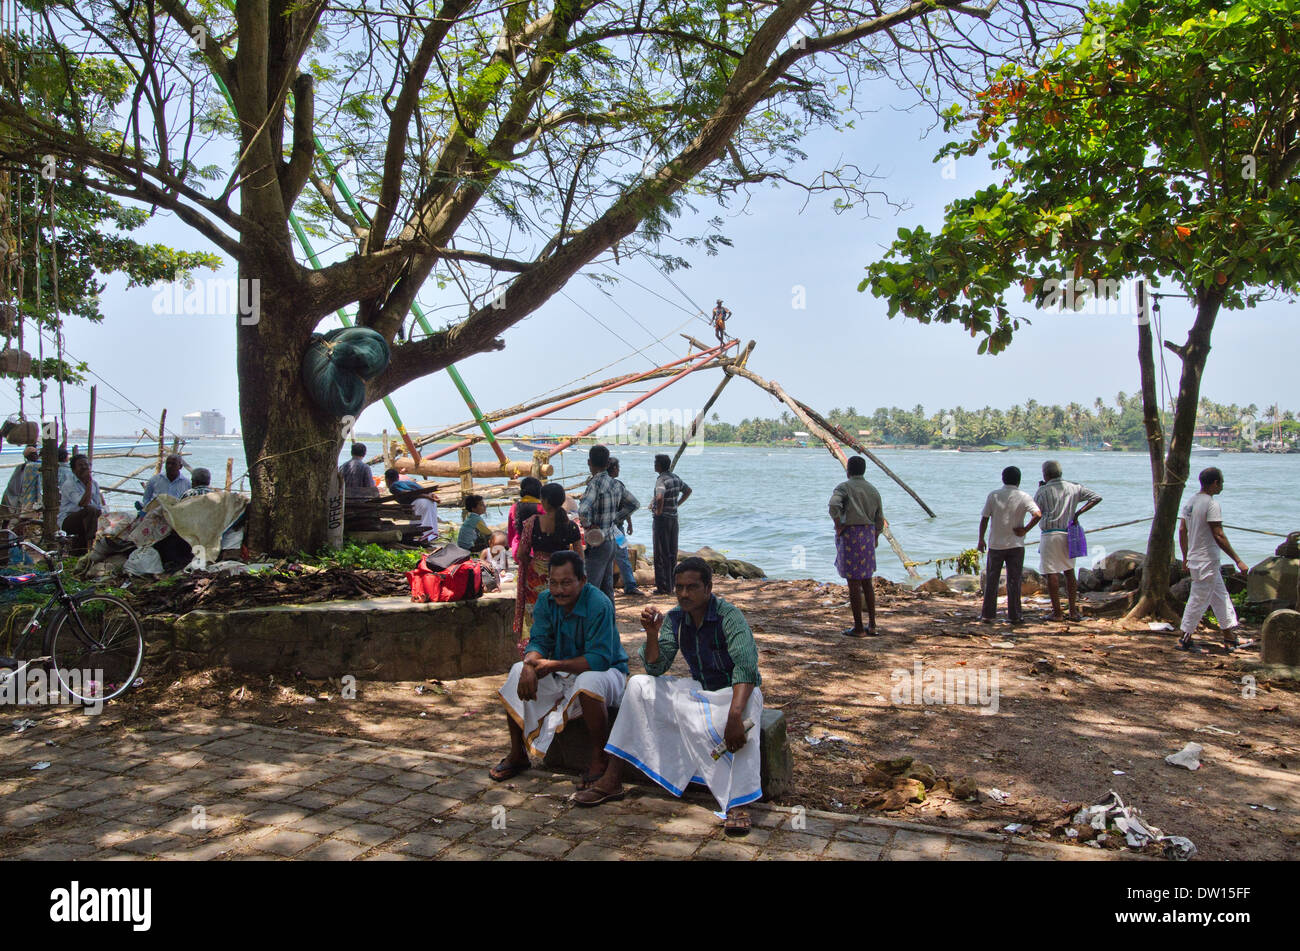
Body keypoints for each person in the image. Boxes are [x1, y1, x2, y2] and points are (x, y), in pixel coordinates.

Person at [576, 557, 763, 837]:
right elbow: (655, 666)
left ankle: (737, 804)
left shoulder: (729, 616)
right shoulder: (675, 618)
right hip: (701, 690)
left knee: (747, 714)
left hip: (736, 693)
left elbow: (746, 668)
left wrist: (735, 716)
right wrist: (651, 634)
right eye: (679, 588)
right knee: (638, 685)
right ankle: (613, 777)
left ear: (709, 588)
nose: (685, 594)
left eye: (692, 587)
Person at [489, 551, 628, 786]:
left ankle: (599, 758)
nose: (559, 590)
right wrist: (530, 664)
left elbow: (598, 660)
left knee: (588, 682)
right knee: (516, 672)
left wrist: (552, 664)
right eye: (553, 583)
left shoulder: (599, 604)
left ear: (582, 581)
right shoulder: (546, 600)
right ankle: (518, 753)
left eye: (566, 583)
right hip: (563, 670)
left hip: (608, 672)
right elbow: (539, 641)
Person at [1177, 467, 1252, 654]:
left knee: (1220, 596)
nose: (1222, 486)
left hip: (1197, 559)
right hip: (1206, 560)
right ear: (1215, 483)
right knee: (1198, 599)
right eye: (1222, 482)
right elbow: (1218, 534)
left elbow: (1181, 530)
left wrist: (1186, 556)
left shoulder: (1190, 502)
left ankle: (1230, 637)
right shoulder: (1211, 504)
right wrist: (1238, 560)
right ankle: (1184, 638)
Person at [513, 482, 582, 653]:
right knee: (561, 614)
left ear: (543, 501)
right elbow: (580, 557)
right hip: (563, 578)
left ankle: (533, 650)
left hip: (535, 579)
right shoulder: (571, 526)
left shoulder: (532, 523)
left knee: (534, 616)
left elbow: (521, 552)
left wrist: (532, 564)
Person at [1033, 460, 1102, 621]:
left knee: (1052, 573)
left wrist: (1040, 489)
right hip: (1068, 533)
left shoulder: (1043, 491)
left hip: (1050, 534)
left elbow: (1036, 511)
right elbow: (1096, 497)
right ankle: (1073, 611)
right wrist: (1077, 513)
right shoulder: (1074, 487)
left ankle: (1057, 612)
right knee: (1069, 572)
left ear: (1046, 474)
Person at [977, 466, 1042, 625]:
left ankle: (988, 615)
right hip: (1016, 545)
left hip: (996, 544)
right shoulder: (1024, 496)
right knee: (1014, 580)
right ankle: (1014, 615)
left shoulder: (994, 495)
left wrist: (981, 539)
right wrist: (1025, 529)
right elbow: (1038, 514)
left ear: (1003, 478)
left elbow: (985, 518)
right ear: (1019, 480)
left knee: (992, 580)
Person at [829, 455, 886, 636]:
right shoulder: (872, 490)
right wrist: (876, 535)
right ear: (864, 470)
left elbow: (833, 504)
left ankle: (859, 628)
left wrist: (838, 523)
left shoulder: (844, 487)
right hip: (868, 534)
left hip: (851, 534)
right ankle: (873, 625)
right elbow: (879, 518)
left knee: (853, 583)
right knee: (867, 581)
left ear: (848, 470)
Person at [578, 444, 637, 602]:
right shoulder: (616, 484)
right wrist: (616, 519)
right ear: (607, 464)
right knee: (607, 588)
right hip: (611, 541)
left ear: (589, 462)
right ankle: (609, 621)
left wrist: (589, 526)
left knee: (590, 587)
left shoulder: (595, 484)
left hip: (598, 542)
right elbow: (634, 504)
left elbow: (582, 510)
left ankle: (588, 624)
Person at [648, 454, 691, 595]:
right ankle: (672, 584)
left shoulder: (661, 479)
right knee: (672, 553)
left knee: (660, 553)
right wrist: (676, 504)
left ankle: (663, 587)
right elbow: (688, 491)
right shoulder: (675, 478)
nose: (654, 465)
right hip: (673, 518)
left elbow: (660, 496)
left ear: (660, 466)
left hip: (662, 520)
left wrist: (659, 511)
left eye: (655, 463)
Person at [606, 457, 642, 597]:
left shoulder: (598, 484)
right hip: (616, 527)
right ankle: (630, 585)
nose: (619, 470)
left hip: (612, 527)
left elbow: (624, 505)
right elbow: (630, 505)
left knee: (614, 555)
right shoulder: (618, 485)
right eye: (618, 468)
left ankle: (628, 585)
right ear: (614, 469)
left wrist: (629, 523)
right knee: (622, 556)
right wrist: (624, 520)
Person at [59, 454, 104, 555]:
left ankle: (95, 544)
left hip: (88, 519)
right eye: (80, 465)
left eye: (86, 465)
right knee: (90, 510)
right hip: (69, 520)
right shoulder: (69, 484)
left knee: (99, 512)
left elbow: (98, 505)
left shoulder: (95, 484)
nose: (84, 467)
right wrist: (88, 485)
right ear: (74, 469)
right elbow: (83, 503)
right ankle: (91, 543)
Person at [385, 468, 440, 541]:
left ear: (387, 480)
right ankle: (427, 539)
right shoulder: (408, 482)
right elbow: (424, 490)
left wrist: (426, 496)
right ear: (398, 477)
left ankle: (421, 540)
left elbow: (407, 493)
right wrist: (430, 496)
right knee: (428, 524)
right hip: (430, 502)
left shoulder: (393, 486)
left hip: (421, 503)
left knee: (419, 528)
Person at [506, 477, 543, 562]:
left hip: (517, 551)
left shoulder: (514, 507)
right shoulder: (541, 508)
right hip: (537, 553)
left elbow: (511, 533)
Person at [2, 445, 38, 522]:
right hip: (18, 497)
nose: (36, 456)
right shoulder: (32, 466)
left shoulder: (22, 467)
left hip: (17, 497)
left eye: (36, 454)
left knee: (9, 519)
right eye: (33, 454)